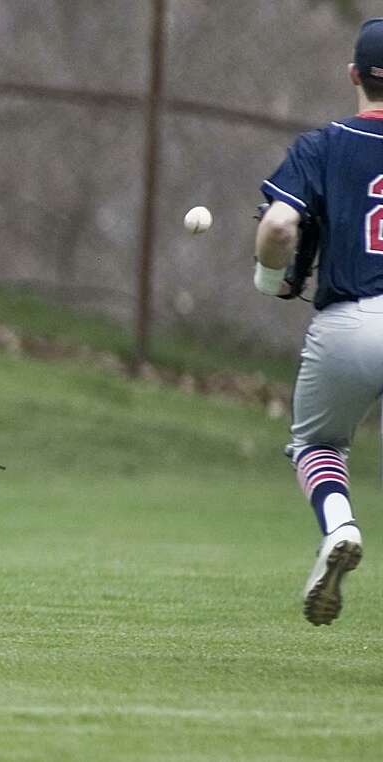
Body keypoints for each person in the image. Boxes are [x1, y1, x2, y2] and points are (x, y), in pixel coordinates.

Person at [251, 19, 383, 625]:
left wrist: (268, 272)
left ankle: (339, 528)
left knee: (318, 443)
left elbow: (280, 229)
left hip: (350, 322)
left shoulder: (324, 145)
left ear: (353, 74)